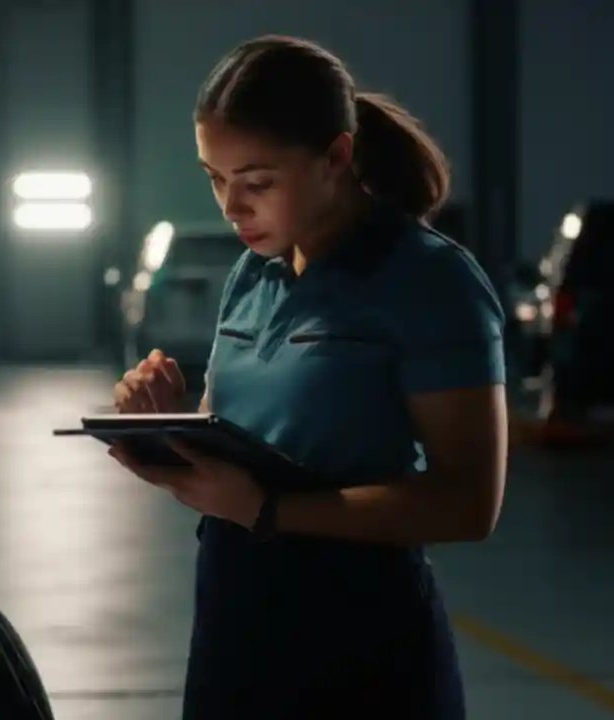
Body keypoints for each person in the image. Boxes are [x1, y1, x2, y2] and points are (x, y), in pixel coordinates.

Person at [110, 35, 507, 719]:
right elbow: (238, 443)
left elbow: (469, 503)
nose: (232, 206)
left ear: (337, 158)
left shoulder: (429, 280)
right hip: (236, 623)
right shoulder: (252, 273)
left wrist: (268, 511)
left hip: (361, 641)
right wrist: (169, 426)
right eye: (215, 177)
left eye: (257, 182)